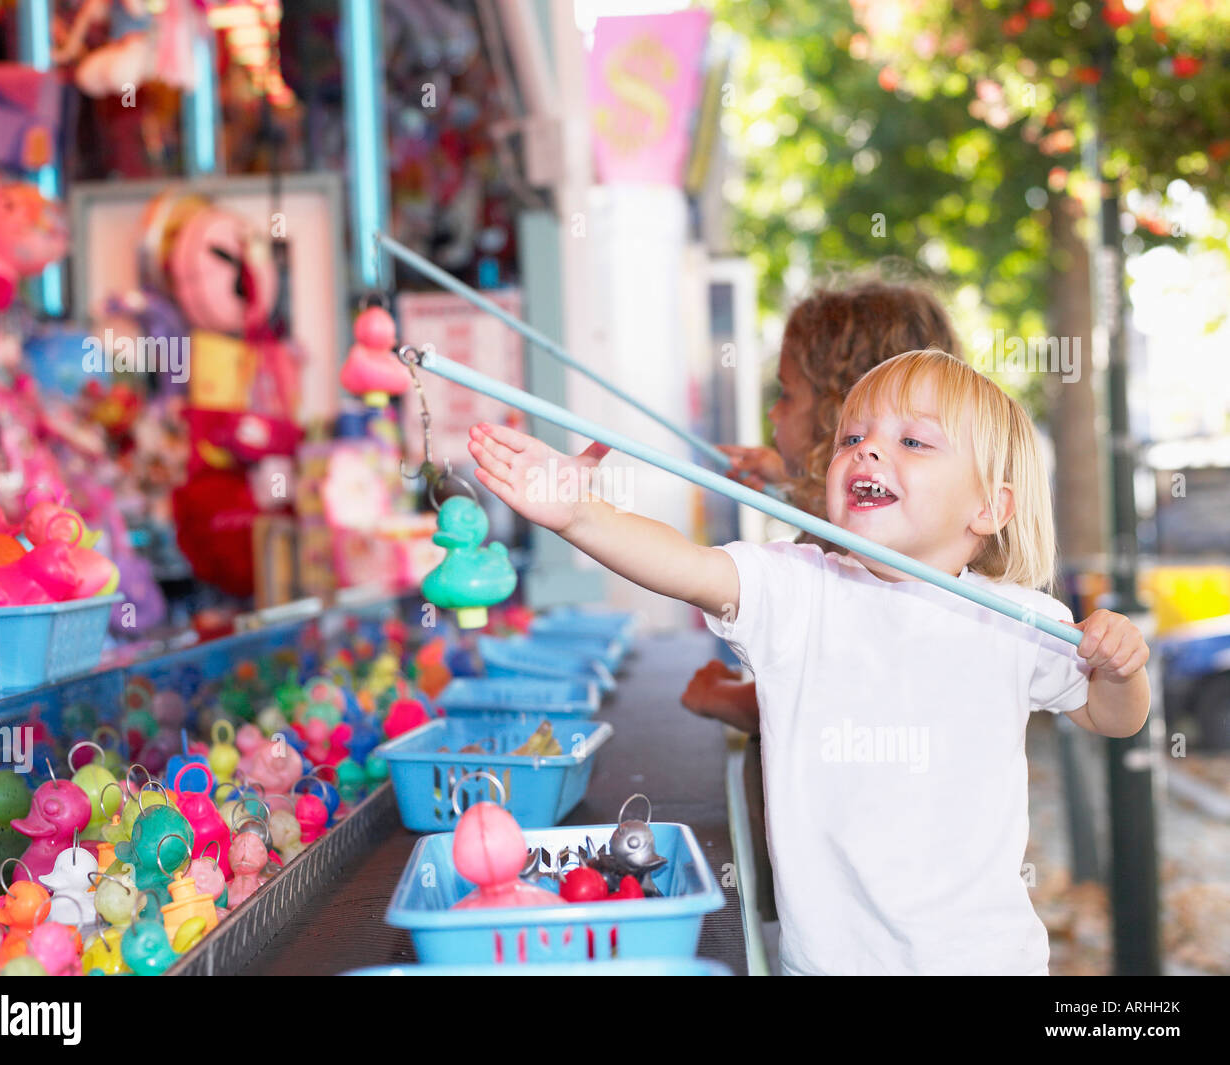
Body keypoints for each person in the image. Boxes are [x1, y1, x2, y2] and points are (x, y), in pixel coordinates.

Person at [466, 349, 1150, 975]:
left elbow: (1111, 717)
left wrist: (1122, 671)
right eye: (854, 438)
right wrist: (580, 515)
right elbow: (685, 565)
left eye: (912, 441)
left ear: (988, 507)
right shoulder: (798, 586)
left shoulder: (1020, 620)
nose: (869, 453)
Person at [685, 279, 963, 734]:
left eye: (788, 394)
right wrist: (793, 480)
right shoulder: (928, 536)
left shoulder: (852, 554)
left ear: (836, 411)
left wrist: (718, 699)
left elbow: (823, 701)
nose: (773, 414)